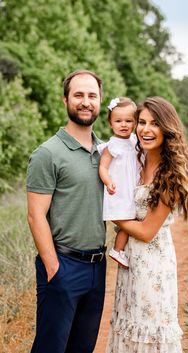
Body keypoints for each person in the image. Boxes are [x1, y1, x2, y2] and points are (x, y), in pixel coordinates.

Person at [106, 96, 188, 353]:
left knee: (147, 327)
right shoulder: (137, 158)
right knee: (128, 322)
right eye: (142, 122)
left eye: (155, 124)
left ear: (167, 129)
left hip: (154, 266)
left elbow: (147, 232)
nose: (145, 130)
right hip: (130, 261)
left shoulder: (171, 173)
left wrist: (112, 214)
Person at [26, 69, 107, 353]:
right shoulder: (48, 153)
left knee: (82, 348)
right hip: (63, 264)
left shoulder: (106, 152)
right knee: (51, 347)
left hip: (98, 265)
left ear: (100, 101)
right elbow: (35, 215)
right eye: (78, 95)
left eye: (92, 95)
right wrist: (53, 267)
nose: (86, 102)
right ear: (65, 100)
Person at [98, 97, 139, 269]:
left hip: (133, 189)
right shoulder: (112, 145)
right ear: (110, 123)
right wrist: (108, 182)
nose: (123, 125)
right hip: (120, 190)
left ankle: (121, 248)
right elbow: (103, 167)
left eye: (129, 121)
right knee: (129, 220)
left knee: (134, 218)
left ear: (136, 122)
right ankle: (117, 249)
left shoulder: (135, 141)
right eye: (118, 121)